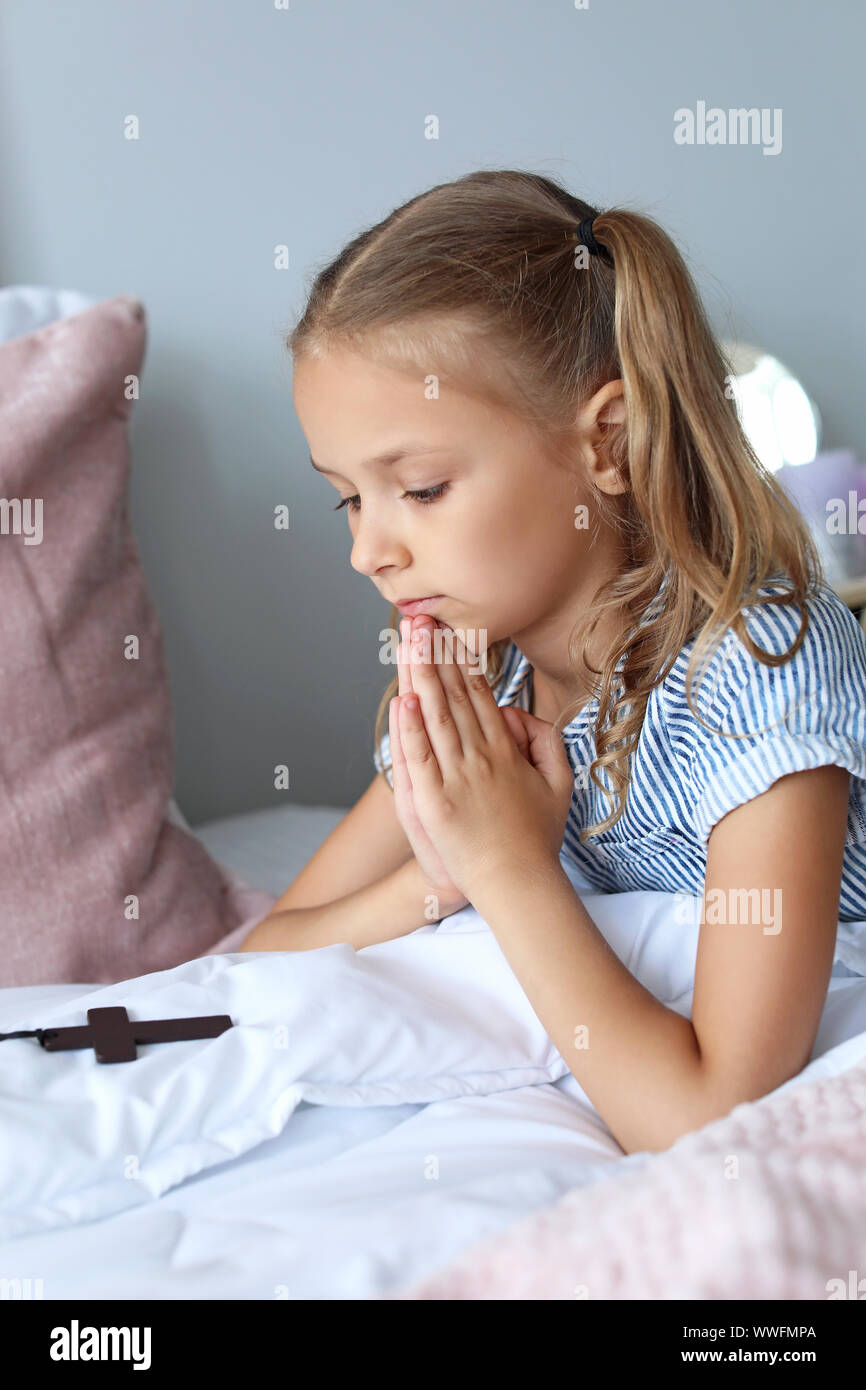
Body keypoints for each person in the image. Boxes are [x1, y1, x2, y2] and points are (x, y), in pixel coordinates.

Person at [240, 169, 866, 1153]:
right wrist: (441, 873)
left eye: (421, 486)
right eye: (347, 498)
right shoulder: (479, 676)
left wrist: (505, 866)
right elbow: (266, 952)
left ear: (605, 444)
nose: (369, 550)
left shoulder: (756, 661)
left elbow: (709, 1117)